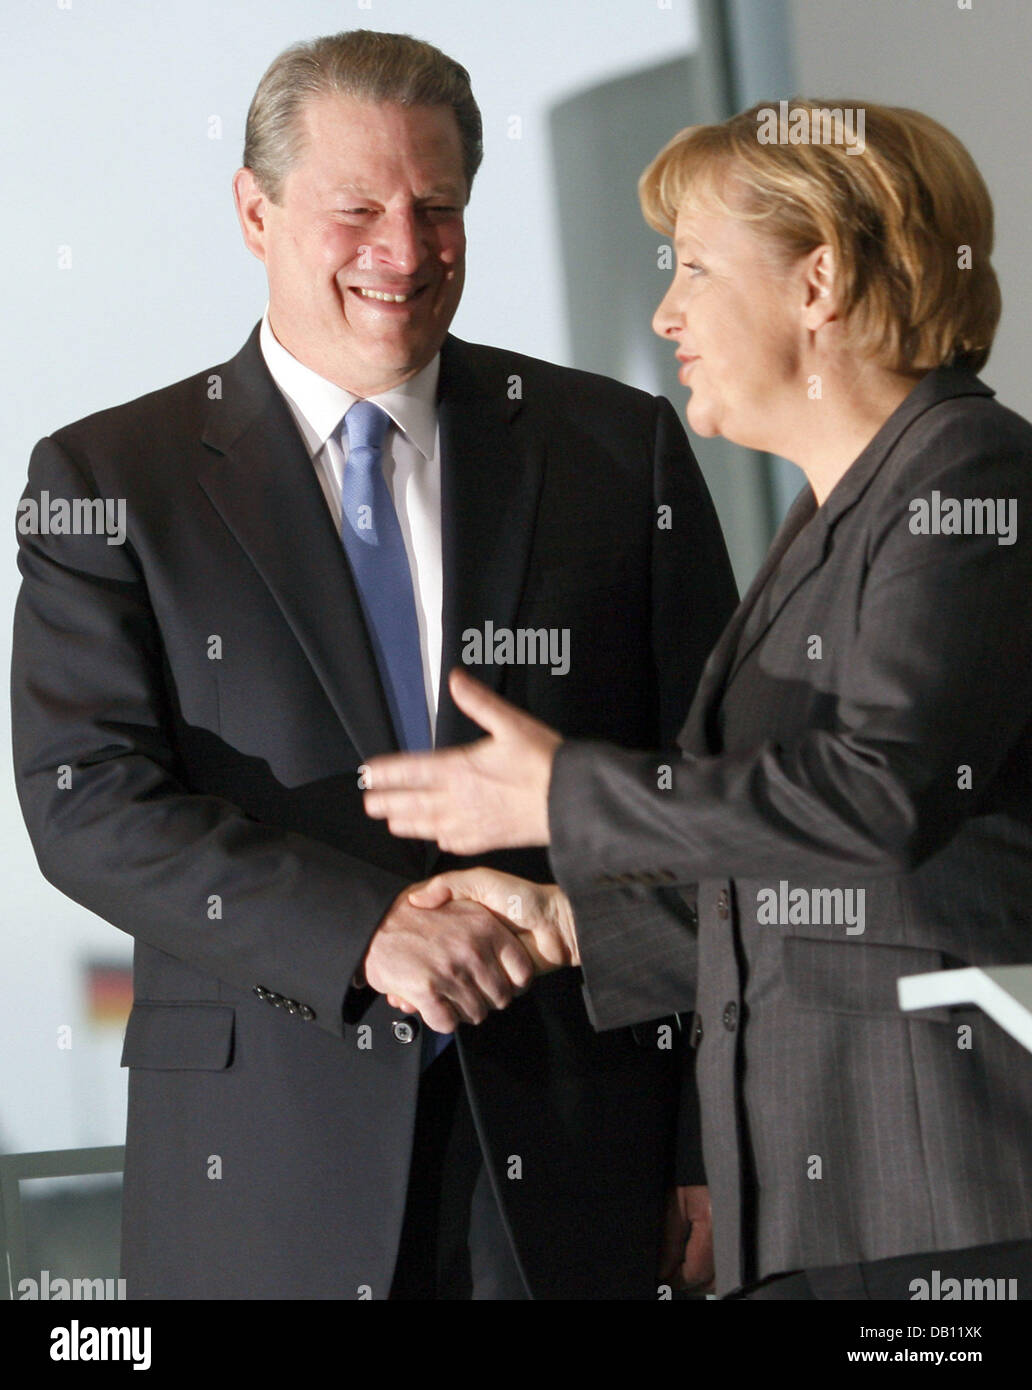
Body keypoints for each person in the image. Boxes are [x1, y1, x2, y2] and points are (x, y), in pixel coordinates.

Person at [10, 30, 737, 1299]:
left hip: (580, 1158)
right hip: (266, 1166)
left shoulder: (618, 451)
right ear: (255, 209)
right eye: (357, 210)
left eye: (438, 208)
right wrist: (370, 931)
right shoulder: (110, 481)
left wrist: (707, 1142)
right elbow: (86, 806)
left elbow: (703, 793)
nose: (403, 253)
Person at [362, 99, 1032, 1299]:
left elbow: (877, 801)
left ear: (818, 279)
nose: (667, 311)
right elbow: (820, 886)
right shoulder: (841, 513)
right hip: (837, 1223)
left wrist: (566, 789)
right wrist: (574, 920)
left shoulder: (970, 479)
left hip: (946, 1211)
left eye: (698, 267)